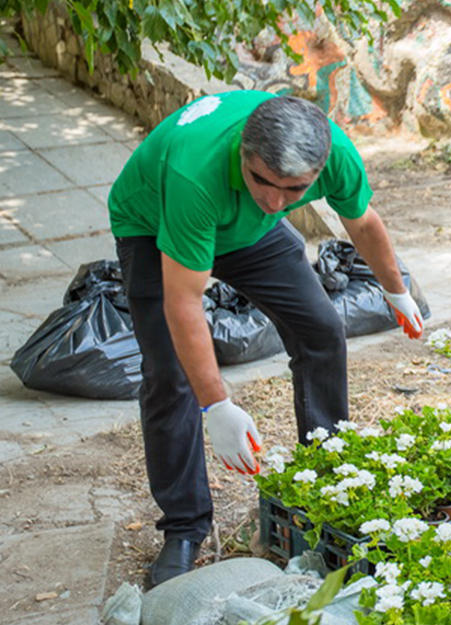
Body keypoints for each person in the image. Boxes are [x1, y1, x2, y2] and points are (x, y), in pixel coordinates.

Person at [108, 91, 424, 588]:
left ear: (318, 169)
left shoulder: (333, 151)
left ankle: (328, 479)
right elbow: (185, 302)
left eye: (294, 189)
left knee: (322, 330)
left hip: (249, 231)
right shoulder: (196, 172)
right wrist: (217, 406)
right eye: (262, 180)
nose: (276, 200)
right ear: (242, 154)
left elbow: (361, 221)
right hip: (154, 224)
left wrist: (396, 289)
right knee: (171, 376)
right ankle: (185, 528)